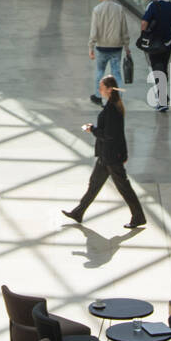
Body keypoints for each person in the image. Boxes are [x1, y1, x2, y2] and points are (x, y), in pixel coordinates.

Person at [62, 76, 147, 229]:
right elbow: (118, 134)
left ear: (109, 89)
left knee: (124, 188)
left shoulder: (112, 110)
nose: (99, 89)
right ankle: (78, 212)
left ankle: (138, 216)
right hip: (106, 156)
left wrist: (92, 129)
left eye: (101, 87)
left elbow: (109, 135)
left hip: (110, 157)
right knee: (94, 184)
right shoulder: (113, 107)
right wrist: (124, 153)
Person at [88, 0, 130, 106]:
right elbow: (124, 29)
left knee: (100, 71)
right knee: (116, 72)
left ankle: (98, 96)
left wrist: (91, 47)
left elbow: (94, 31)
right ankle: (118, 97)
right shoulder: (119, 8)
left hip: (102, 46)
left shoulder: (97, 10)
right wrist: (126, 45)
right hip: (116, 46)